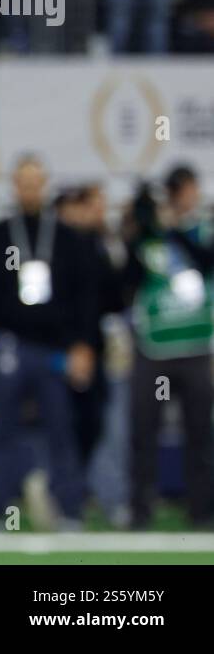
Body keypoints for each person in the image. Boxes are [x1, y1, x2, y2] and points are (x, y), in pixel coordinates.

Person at [0, 155, 97, 531]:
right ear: (14, 186)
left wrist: (82, 344)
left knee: (61, 430)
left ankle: (69, 511)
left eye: (36, 181)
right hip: (7, 346)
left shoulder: (69, 240)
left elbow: (87, 295)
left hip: (55, 348)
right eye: (23, 182)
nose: (29, 189)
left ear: (46, 185)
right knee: (2, 431)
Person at [124, 165, 214, 529]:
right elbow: (127, 280)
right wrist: (143, 226)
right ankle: (140, 511)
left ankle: (201, 512)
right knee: (144, 433)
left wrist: (174, 227)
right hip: (154, 349)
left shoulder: (202, 231)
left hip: (196, 348)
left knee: (200, 436)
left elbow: (205, 260)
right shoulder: (149, 239)